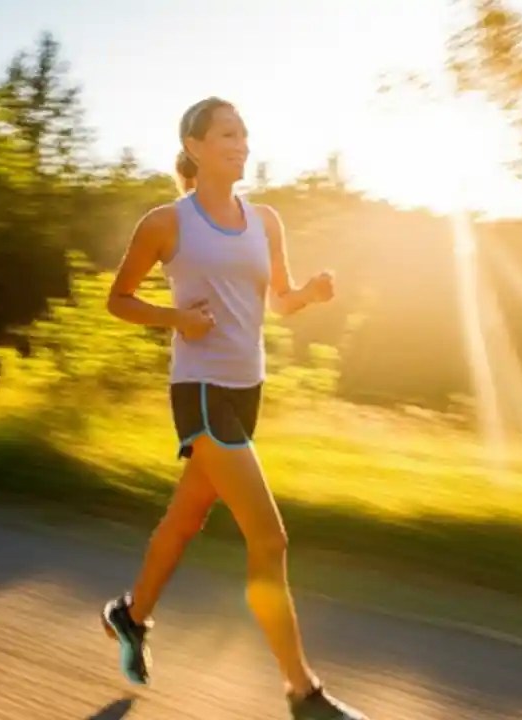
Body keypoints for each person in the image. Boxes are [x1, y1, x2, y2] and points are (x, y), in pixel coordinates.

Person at [100, 96, 367, 720]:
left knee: (187, 520)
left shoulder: (265, 220)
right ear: (194, 146)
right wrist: (175, 320)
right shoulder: (167, 222)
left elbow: (278, 301)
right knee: (269, 538)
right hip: (198, 391)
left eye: (244, 133)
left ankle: (130, 616)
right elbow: (120, 299)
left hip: (248, 391)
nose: (241, 143)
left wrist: (311, 294)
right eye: (226, 133)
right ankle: (304, 694)